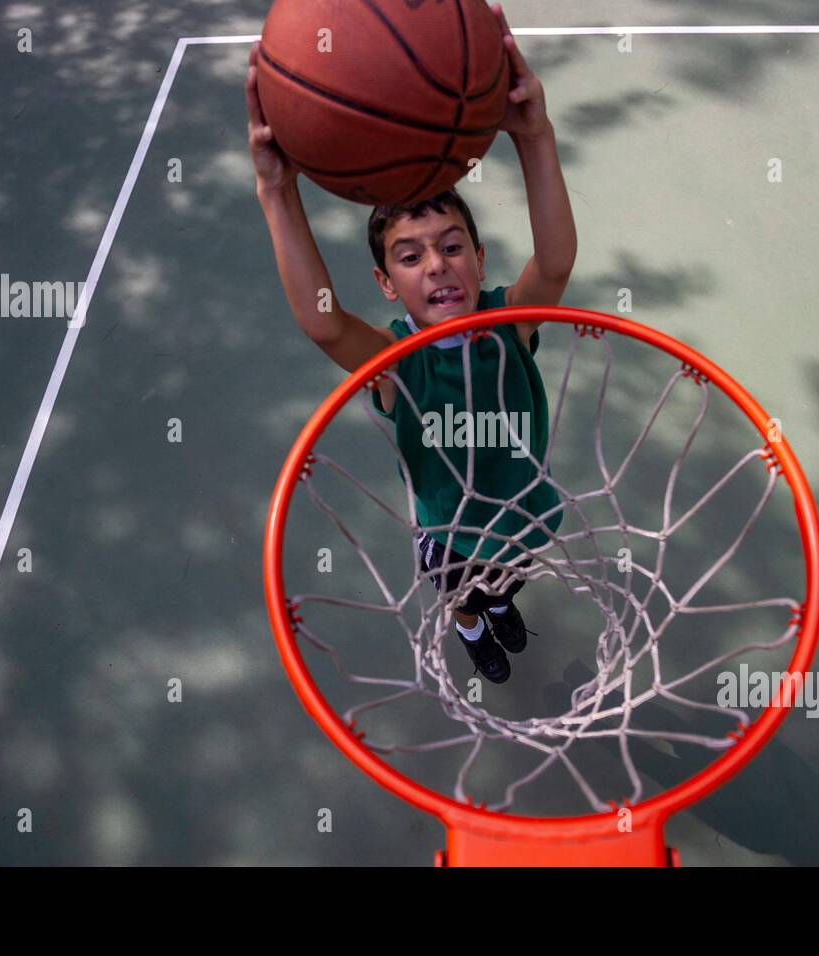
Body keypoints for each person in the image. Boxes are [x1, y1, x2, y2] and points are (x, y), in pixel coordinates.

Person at [246, 4, 575, 683]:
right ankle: (473, 625)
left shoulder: (506, 326)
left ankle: (497, 603)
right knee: (462, 597)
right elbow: (324, 321)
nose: (436, 265)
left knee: (506, 580)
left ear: (480, 261)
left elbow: (556, 261)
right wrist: (278, 194)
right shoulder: (396, 366)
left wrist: (533, 137)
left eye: (453, 247)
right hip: (451, 537)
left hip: (520, 517)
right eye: (410, 256)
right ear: (387, 283)